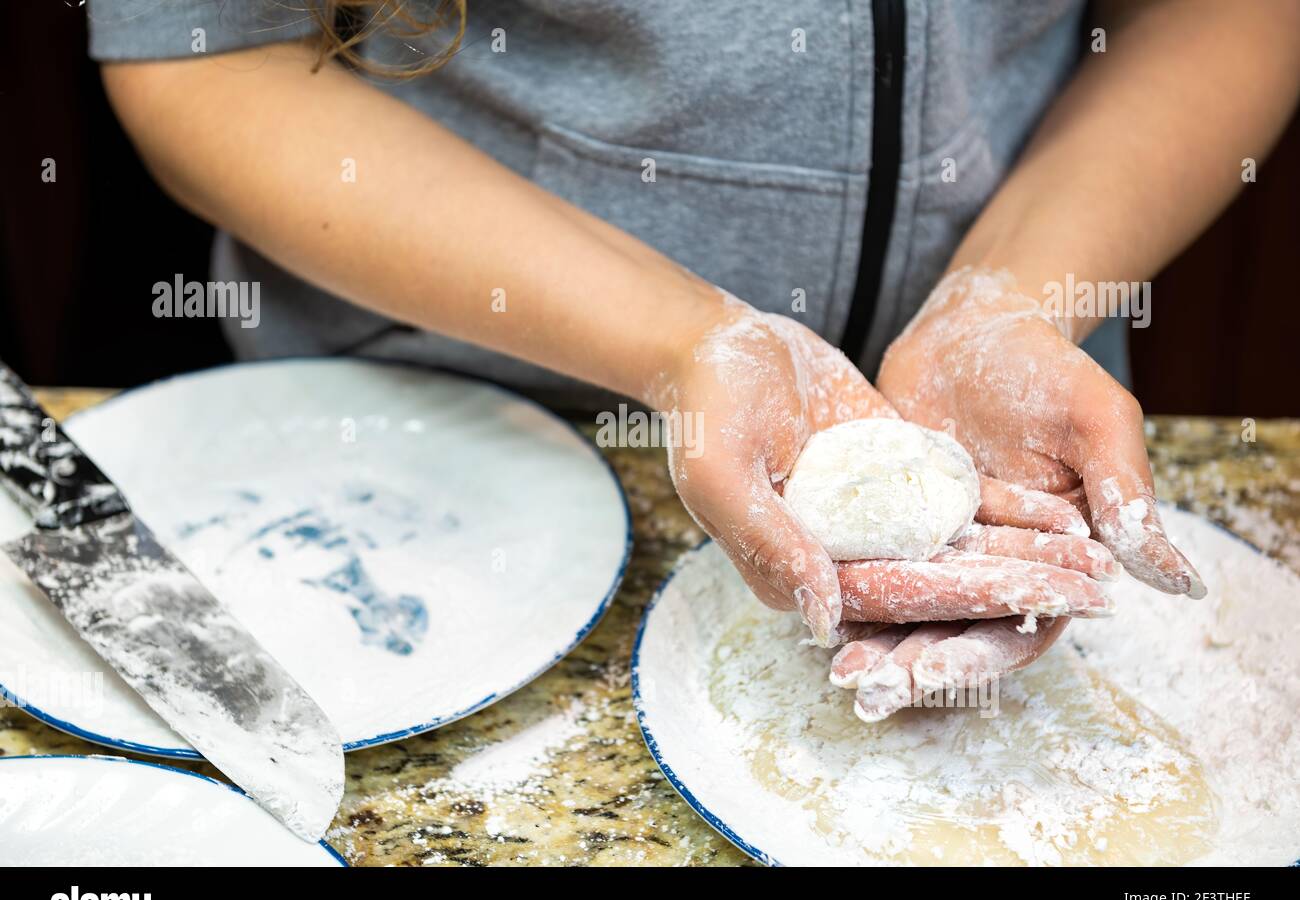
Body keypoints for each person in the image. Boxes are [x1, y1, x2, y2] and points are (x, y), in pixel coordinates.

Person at [88, 0, 1300, 719]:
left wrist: (1015, 303)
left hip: (1008, 450)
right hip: (444, 453)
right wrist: (681, 342)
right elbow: (207, 49)